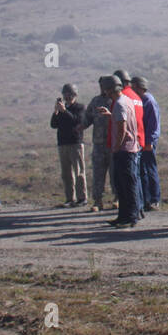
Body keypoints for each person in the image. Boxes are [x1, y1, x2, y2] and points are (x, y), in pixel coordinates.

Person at [94, 75, 140, 229]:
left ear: (108, 90)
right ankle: (123, 216)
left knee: (126, 185)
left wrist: (116, 147)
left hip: (124, 150)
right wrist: (110, 115)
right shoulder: (126, 100)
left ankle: (130, 217)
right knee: (122, 185)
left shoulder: (119, 104)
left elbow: (122, 129)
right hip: (129, 148)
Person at [113, 69, 146, 216]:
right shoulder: (134, 96)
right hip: (137, 141)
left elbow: (122, 125)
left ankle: (131, 214)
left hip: (125, 145)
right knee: (134, 179)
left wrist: (116, 145)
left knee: (127, 182)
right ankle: (138, 209)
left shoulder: (122, 98)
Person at [50, 83, 88, 208]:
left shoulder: (80, 107)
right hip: (63, 143)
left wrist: (65, 111)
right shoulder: (62, 109)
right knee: (66, 174)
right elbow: (53, 124)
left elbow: (76, 121)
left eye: (70, 95)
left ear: (74, 95)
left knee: (79, 172)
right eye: (65, 95)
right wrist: (56, 112)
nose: (67, 97)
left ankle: (82, 198)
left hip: (75, 143)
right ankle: (70, 198)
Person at [81, 77, 113, 212]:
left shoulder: (116, 100)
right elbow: (87, 118)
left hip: (113, 143)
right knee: (98, 174)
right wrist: (80, 126)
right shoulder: (96, 101)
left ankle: (117, 198)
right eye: (101, 86)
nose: (102, 89)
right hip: (99, 144)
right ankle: (98, 200)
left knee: (115, 173)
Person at [133, 75, 161, 211]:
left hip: (148, 142)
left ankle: (154, 199)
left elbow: (153, 124)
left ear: (140, 87)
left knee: (150, 170)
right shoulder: (139, 101)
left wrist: (149, 142)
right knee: (141, 170)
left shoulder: (148, 101)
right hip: (140, 141)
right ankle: (145, 199)